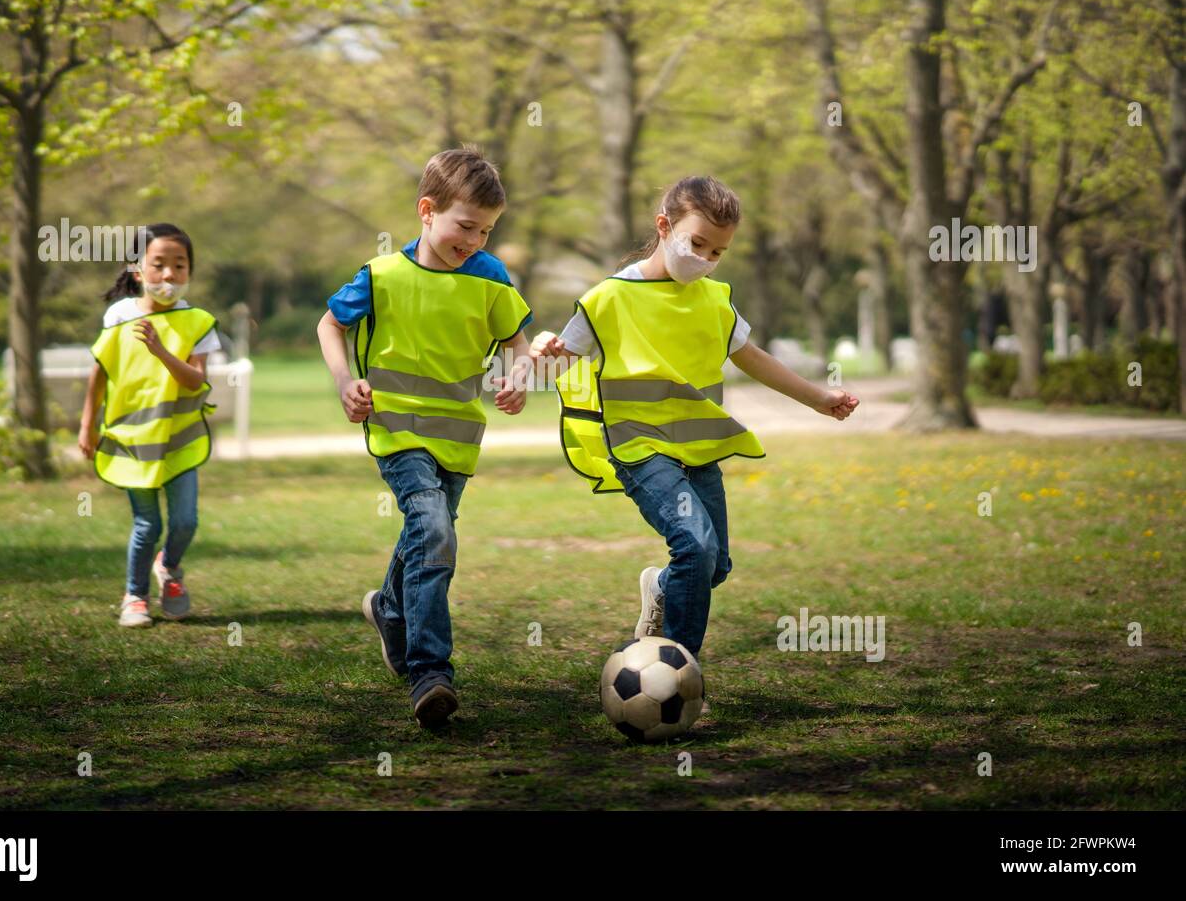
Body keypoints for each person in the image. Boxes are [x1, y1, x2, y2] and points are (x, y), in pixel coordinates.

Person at [531, 176, 859, 660]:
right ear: (664, 226)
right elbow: (555, 362)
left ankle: (662, 590)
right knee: (695, 547)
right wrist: (542, 349)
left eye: (718, 252)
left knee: (714, 565)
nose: (704, 259)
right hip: (641, 449)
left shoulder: (714, 298)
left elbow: (753, 357)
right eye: (697, 243)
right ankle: (675, 665)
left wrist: (817, 398)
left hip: (700, 449)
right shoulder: (609, 298)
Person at [317, 146, 533, 728]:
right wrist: (345, 382)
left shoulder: (490, 277)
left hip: (459, 438)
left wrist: (517, 376)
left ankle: (391, 609)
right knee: (434, 531)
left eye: (486, 230)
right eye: (466, 226)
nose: (475, 241)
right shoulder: (381, 274)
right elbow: (330, 324)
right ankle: (430, 670)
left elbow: (516, 338)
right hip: (395, 431)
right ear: (426, 210)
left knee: (427, 533)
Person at [79, 223, 221, 628]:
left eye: (180, 265)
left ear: (190, 271)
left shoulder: (198, 322)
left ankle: (170, 568)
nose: (169, 275)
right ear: (137, 269)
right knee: (147, 524)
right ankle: (135, 597)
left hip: (180, 440)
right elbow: (99, 373)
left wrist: (160, 350)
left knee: (185, 522)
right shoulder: (119, 315)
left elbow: (196, 380)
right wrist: (87, 426)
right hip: (131, 442)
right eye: (159, 264)